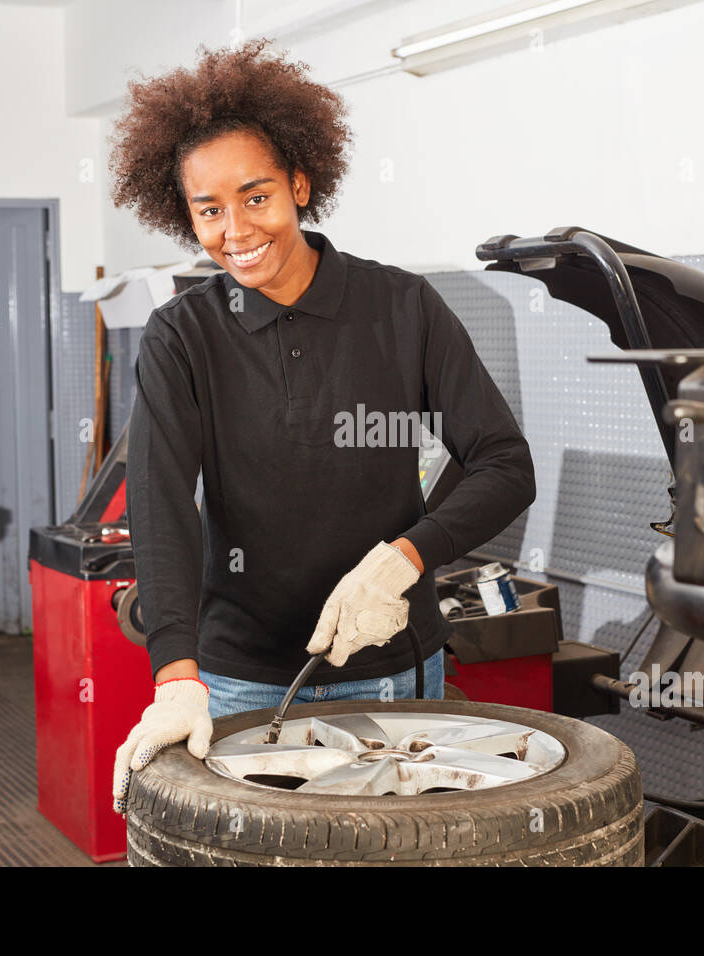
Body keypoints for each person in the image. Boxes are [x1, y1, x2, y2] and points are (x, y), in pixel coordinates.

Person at [108, 39, 535, 814]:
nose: (235, 230)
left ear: (301, 185)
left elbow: (504, 463)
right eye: (209, 210)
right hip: (241, 678)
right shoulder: (182, 337)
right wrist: (176, 675)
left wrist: (404, 559)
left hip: (398, 672)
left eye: (256, 196)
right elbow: (161, 506)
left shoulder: (402, 309)